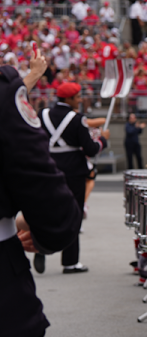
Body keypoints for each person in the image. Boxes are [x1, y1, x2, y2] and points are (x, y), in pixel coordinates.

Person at [1, 47, 81, 336]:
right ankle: (71, 260)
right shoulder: (7, 90)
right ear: (73, 98)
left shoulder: (45, 112)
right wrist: (47, 230)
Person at [38, 82, 110, 275]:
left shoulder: (42, 114)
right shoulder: (78, 119)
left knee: (44, 210)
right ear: (69, 99)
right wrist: (103, 139)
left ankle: (39, 247)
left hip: (47, 167)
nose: (80, 100)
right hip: (72, 172)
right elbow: (90, 149)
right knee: (74, 213)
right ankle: (70, 262)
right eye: (77, 97)